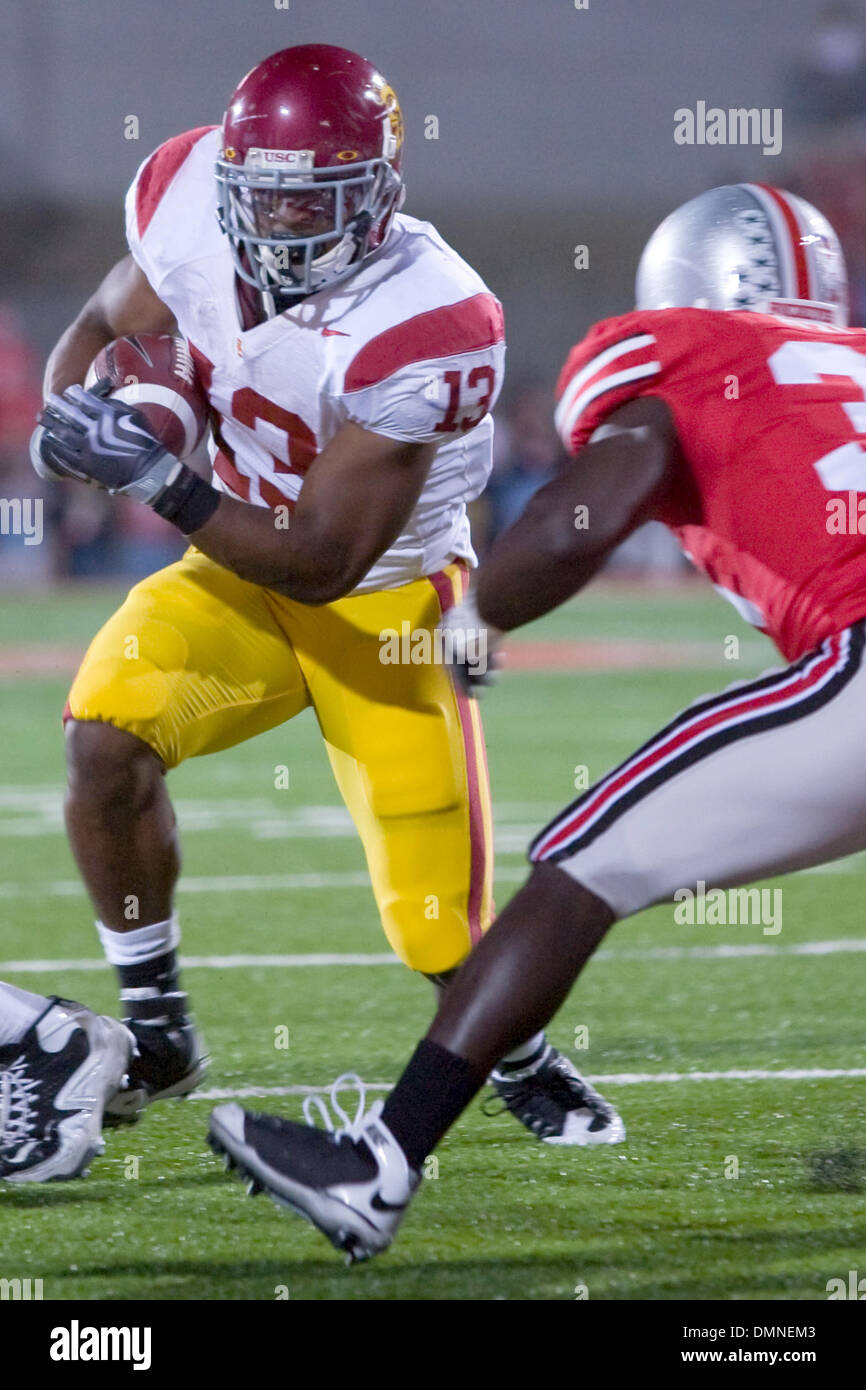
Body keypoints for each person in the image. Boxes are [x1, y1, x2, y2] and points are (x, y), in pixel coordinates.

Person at [207, 182, 866, 1263]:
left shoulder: (680, 353)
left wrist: (482, 609)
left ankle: (381, 1160)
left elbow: (587, 510)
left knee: (580, 864)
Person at [3, 44, 622, 1184]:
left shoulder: (431, 318)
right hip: (231, 561)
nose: (282, 217)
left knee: (434, 927)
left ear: (380, 191)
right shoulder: (187, 192)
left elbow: (321, 561)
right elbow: (98, 323)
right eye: (265, 190)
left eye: (312, 194)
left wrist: (157, 480)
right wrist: (68, 426)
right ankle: (159, 1024)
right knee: (103, 741)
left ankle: (521, 1051)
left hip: (378, 600)